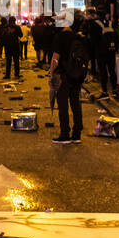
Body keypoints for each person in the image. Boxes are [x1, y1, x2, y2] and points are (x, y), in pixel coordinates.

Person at [48, 11, 86, 145]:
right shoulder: (78, 37)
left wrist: (51, 73)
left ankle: (65, 134)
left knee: (63, 105)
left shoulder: (60, 37)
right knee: (76, 105)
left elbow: (55, 58)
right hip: (76, 75)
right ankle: (76, 135)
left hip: (63, 76)